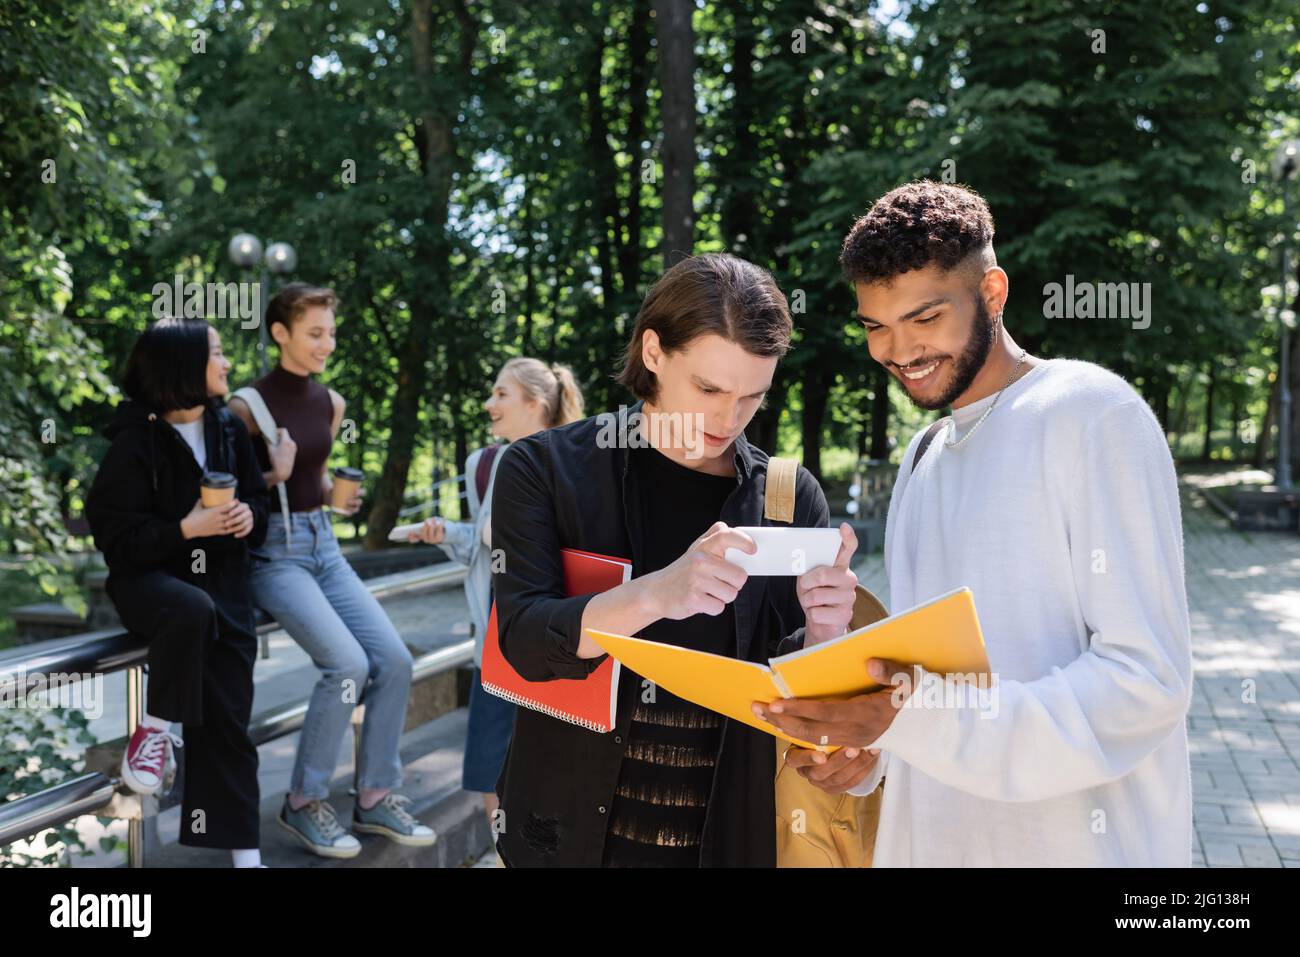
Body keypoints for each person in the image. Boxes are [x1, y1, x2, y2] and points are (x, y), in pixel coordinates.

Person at [762, 180, 1193, 866]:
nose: (897, 350)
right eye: (876, 325)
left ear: (992, 292)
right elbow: (922, 683)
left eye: (924, 317)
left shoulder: (1093, 414)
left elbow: (1145, 683)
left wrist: (912, 717)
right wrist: (868, 749)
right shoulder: (923, 455)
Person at [489, 253, 861, 867]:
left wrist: (826, 630)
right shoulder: (544, 469)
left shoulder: (789, 496)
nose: (727, 417)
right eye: (709, 388)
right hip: (568, 833)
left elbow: (798, 699)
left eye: (752, 397)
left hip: (727, 834)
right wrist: (660, 592)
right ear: (654, 351)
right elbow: (525, 644)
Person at [227, 283, 433, 858]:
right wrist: (274, 475)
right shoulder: (246, 407)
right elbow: (234, 492)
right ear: (280, 333)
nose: (326, 343)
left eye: (331, 333)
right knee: (346, 664)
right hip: (274, 554)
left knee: (392, 659)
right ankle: (302, 803)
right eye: (314, 333)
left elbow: (311, 482)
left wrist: (333, 497)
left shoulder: (331, 402)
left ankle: (372, 796)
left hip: (323, 545)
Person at [86, 318, 269, 868]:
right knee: (191, 609)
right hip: (152, 585)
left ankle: (247, 860)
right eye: (216, 353)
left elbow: (261, 507)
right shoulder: (133, 442)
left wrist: (243, 518)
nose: (227, 363)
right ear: (184, 367)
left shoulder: (230, 430)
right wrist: (186, 530)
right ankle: (157, 731)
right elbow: (116, 539)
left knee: (229, 728)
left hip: (226, 588)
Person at [406, 357, 585, 825]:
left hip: (555, 629)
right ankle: (503, 852)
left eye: (502, 394)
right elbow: (486, 546)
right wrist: (445, 531)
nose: (490, 404)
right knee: (490, 762)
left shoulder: (572, 460)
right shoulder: (486, 464)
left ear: (535, 403)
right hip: (498, 629)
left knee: (552, 762)